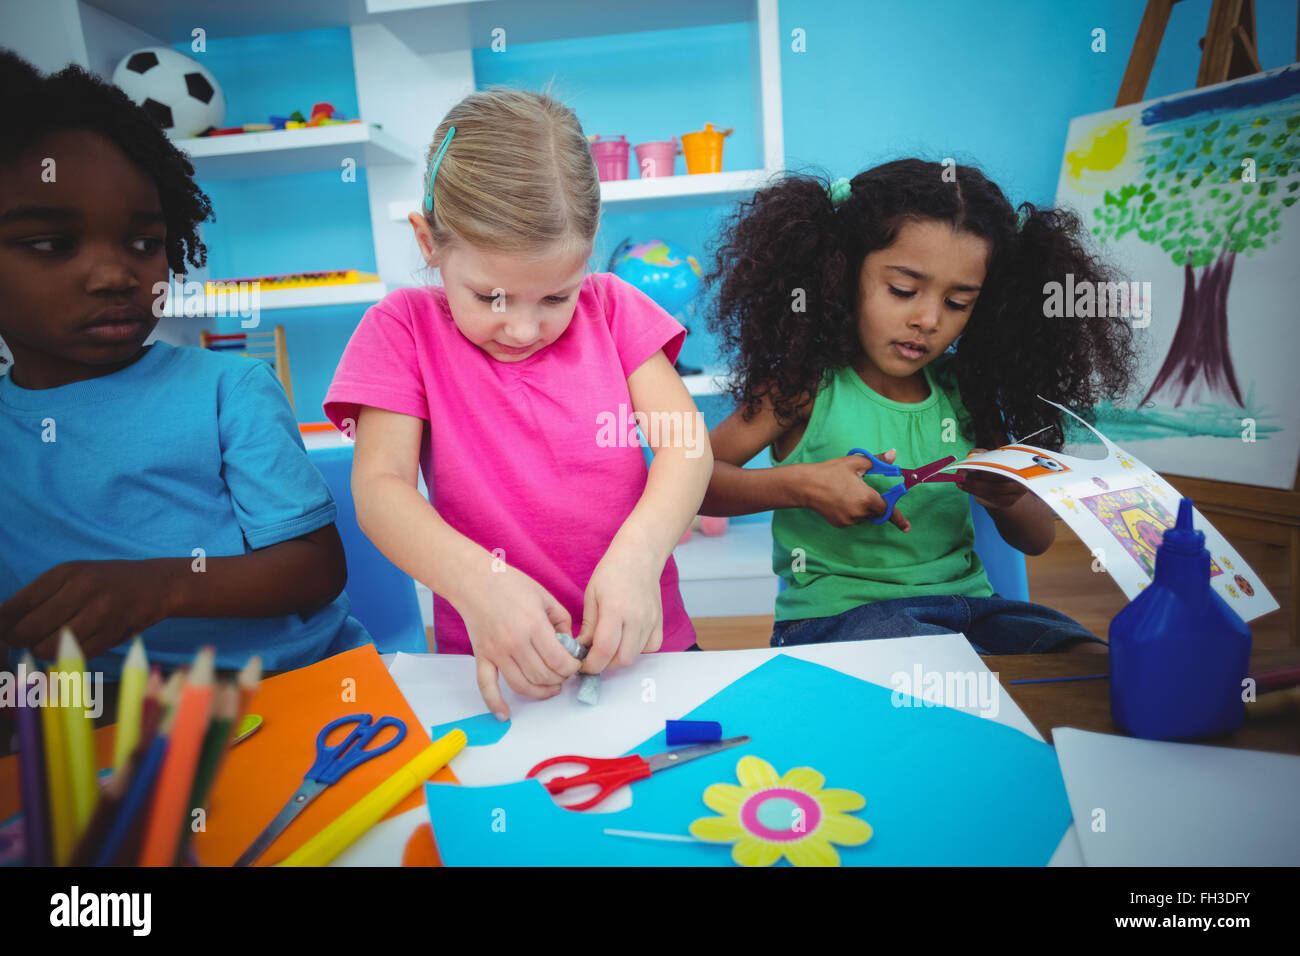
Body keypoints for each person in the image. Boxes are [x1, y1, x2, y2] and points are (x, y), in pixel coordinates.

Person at [324, 88, 711, 717]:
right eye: (491, 298)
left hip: (646, 649)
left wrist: (640, 558)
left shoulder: (611, 308)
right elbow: (379, 488)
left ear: (587, 256)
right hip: (494, 663)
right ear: (428, 243)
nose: (524, 330)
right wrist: (482, 587)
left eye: (556, 298)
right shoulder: (402, 330)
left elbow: (684, 444)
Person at [0, 51, 369, 677]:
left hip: (279, 684)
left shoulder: (229, 387)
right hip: (80, 719)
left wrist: (162, 587)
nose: (116, 274)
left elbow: (316, 568)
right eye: (53, 245)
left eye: (144, 243)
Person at [701, 160, 1137, 652]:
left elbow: (1037, 540)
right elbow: (693, 483)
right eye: (903, 290)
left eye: (958, 303)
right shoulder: (804, 386)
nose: (928, 319)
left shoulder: (965, 392)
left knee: (1089, 662)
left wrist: (1007, 497)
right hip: (841, 618)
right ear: (842, 274)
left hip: (973, 607)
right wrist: (800, 487)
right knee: (937, 674)